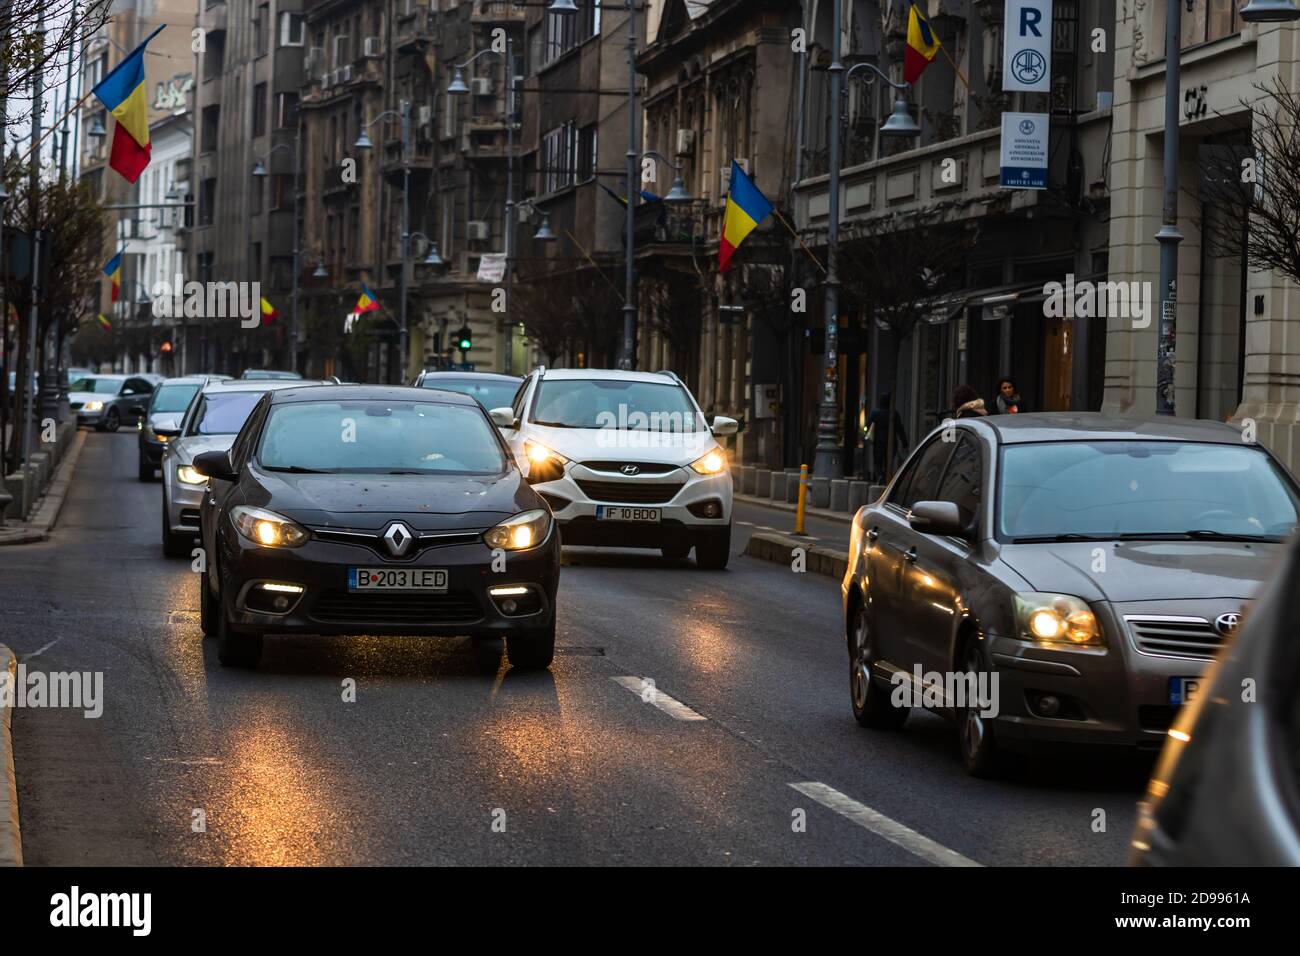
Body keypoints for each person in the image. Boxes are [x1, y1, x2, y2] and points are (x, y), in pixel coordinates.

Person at [865, 392, 908, 482]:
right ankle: (885, 477)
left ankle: (880, 475)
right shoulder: (894, 414)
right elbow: (900, 429)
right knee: (888, 463)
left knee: (878, 462)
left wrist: (867, 433)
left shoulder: (875, 413)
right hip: (892, 442)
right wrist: (904, 443)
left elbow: (867, 425)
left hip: (878, 442)